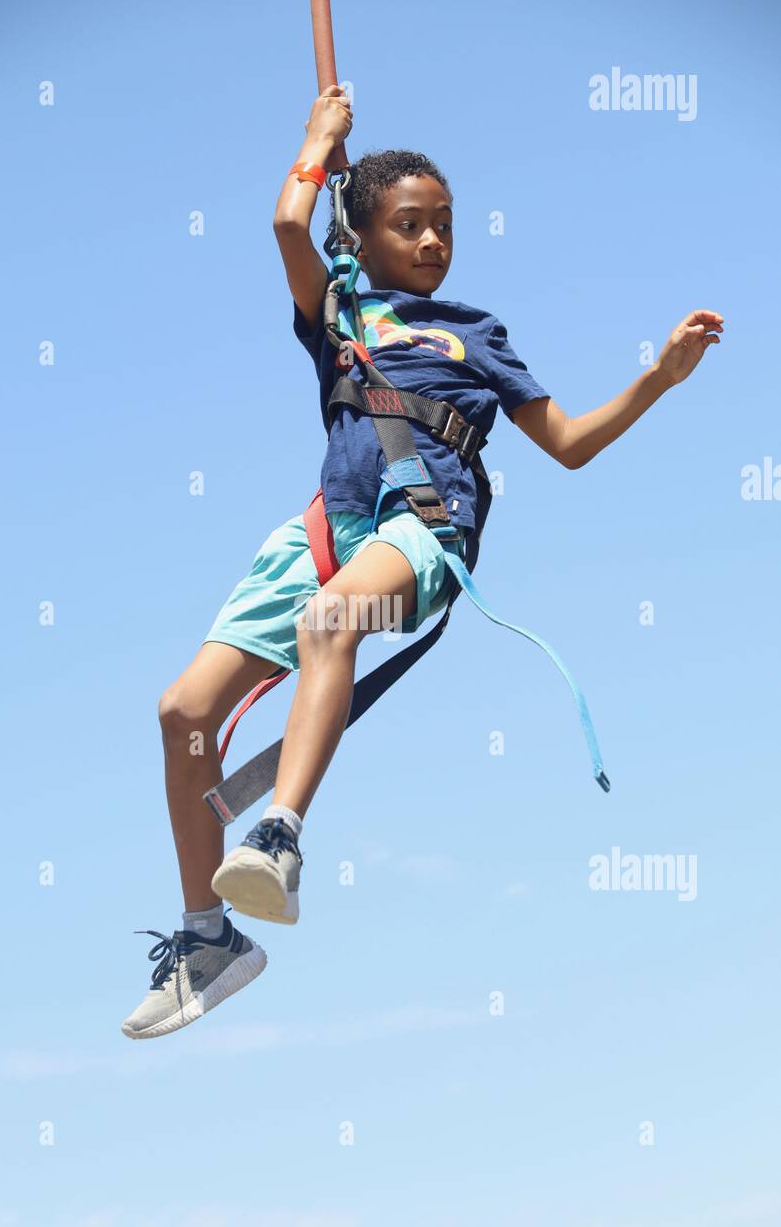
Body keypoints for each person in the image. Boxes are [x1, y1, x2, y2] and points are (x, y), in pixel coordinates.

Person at [122, 85, 723, 1039]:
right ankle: (210, 940)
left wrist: (657, 377)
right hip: (330, 525)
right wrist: (317, 140)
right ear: (361, 238)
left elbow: (568, 443)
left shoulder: (474, 332)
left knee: (331, 623)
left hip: (422, 524)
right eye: (410, 225)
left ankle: (279, 835)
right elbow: (288, 224)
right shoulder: (338, 309)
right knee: (183, 710)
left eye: (445, 223)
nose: (435, 239)